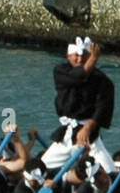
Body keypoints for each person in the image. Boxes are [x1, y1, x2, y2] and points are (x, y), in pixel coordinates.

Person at [42, 37, 115, 174]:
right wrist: (93, 59)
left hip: (89, 135)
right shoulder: (60, 71)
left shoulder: (103, 81)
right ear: (68, 55)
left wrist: (88, 128)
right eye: (76, 55)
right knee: (41, 168)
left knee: (109, 172)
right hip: (66, 135)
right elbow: (77, 77)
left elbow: (103, 108)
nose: (80, 59)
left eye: (84, 55)